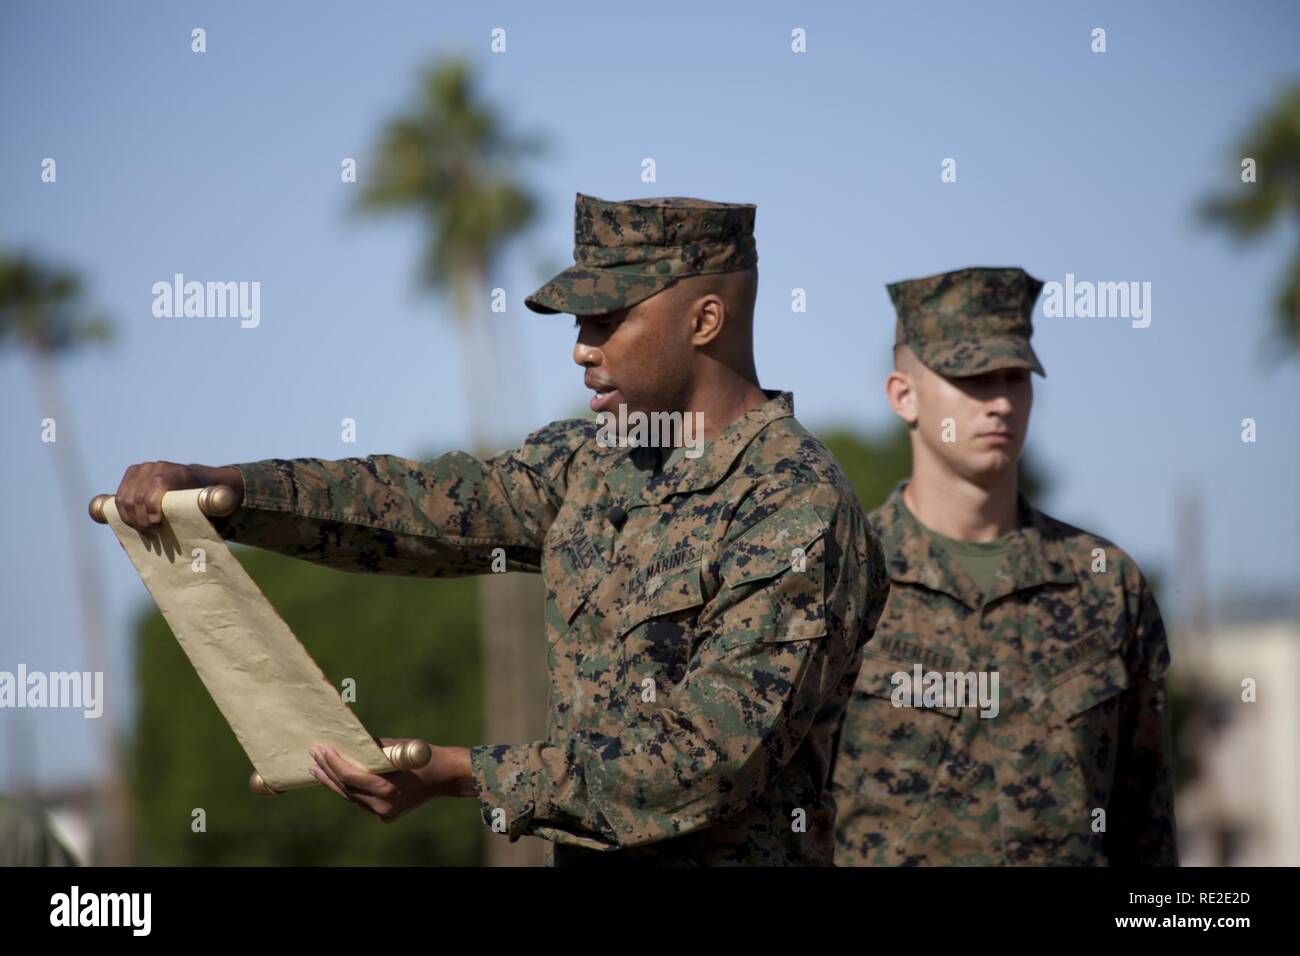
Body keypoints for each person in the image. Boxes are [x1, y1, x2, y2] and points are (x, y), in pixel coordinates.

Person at [113, 194, 888, 866]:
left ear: (706, 320)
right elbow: (423, 505)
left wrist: (463, 774)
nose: (583, 349)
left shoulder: (796, 505)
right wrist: (232, 490)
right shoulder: (596, 463)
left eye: (607, 320)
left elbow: (706, 763)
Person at [830, 266, 1178, 866]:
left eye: (1015, 378)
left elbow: (1145, 825)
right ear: (903, 396)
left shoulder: (1104, 583)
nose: (998, 402)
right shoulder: (843, 579)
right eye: (972, 377)